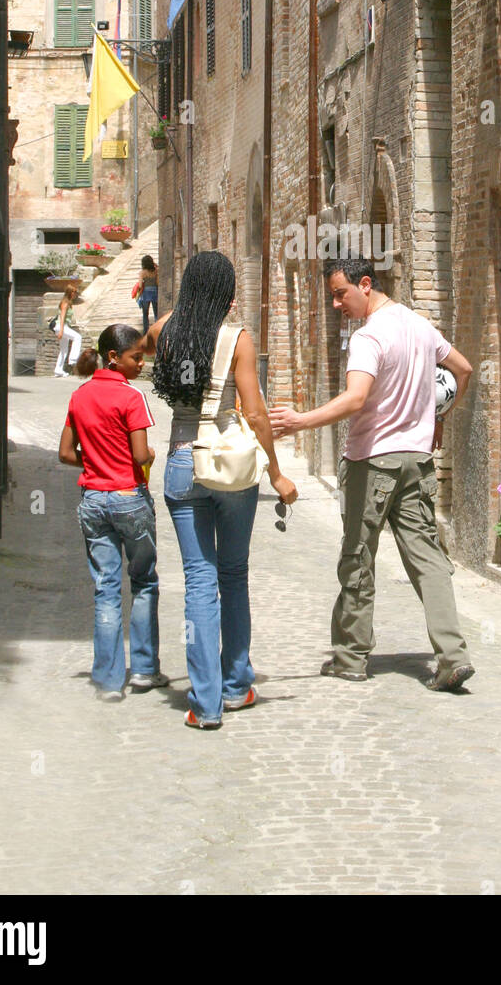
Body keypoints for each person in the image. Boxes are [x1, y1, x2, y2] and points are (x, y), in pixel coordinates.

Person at [269, 257, 475, 692]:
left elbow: (355, 399)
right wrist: (439, 416)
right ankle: (452, 657)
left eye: (341, 293)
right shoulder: (420, 326)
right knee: (428, 560)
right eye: (332, 296)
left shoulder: (368, 337)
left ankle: (350, 657)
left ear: (366, 284)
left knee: (358, 558)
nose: (337, 304)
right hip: (417, 462)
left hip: (372, 463)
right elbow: (464, 369)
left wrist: (300, 421)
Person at [142, 251, 297, 730]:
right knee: (233, 573)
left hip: (184, 462)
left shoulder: (164, 331)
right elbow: (254, 413)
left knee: (197, 580)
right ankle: (235, 686)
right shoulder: (238, 339)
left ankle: (203, 703)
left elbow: (150, 347)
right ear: (229, 294)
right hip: (229, 464)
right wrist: (276, 473)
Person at [58, 323, 168, 702]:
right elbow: (141, 455)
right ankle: (143, 670)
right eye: (136, 357)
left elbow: (66, 454)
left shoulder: (80, 396)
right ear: (113, 357)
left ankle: (107, 680)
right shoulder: (131, 398)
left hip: (93, 499)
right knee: (143, 581)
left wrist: (97, 463)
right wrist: (150, 455)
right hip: (129, 497)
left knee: (106, 588)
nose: (141, 363)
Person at [53, 284, 82, 377]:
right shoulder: (65, 302)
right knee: (78, 337)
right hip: (61, 326)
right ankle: (73, 359)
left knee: (63, 350)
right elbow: (62, 316)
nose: (75, 294)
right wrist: (61, 330)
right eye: (74, 292)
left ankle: (58, 369)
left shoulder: (69, 303)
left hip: (64, 327)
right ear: (70, 292)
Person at [137, 255, 159, 334]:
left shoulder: (142, 272)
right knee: (156, 313)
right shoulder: (156, 271)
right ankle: (158, 330)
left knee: (145, 314)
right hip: (154, 292)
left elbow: (139, 285)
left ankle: (146, 331)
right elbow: (157, 283)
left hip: (145, 294)